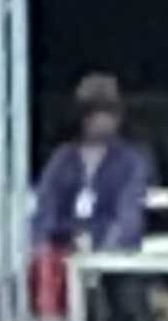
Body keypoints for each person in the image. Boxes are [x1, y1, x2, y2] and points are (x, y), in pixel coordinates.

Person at [31, 70, 152, 267]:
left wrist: (100, 252)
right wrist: (43, 247)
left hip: (112, 258)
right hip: (62, 256)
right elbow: (45, 210)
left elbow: (129, 216)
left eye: (109, 113)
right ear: (82, 117)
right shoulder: (62, 159)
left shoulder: (131, 161)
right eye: (93, 113)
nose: (102, 121)